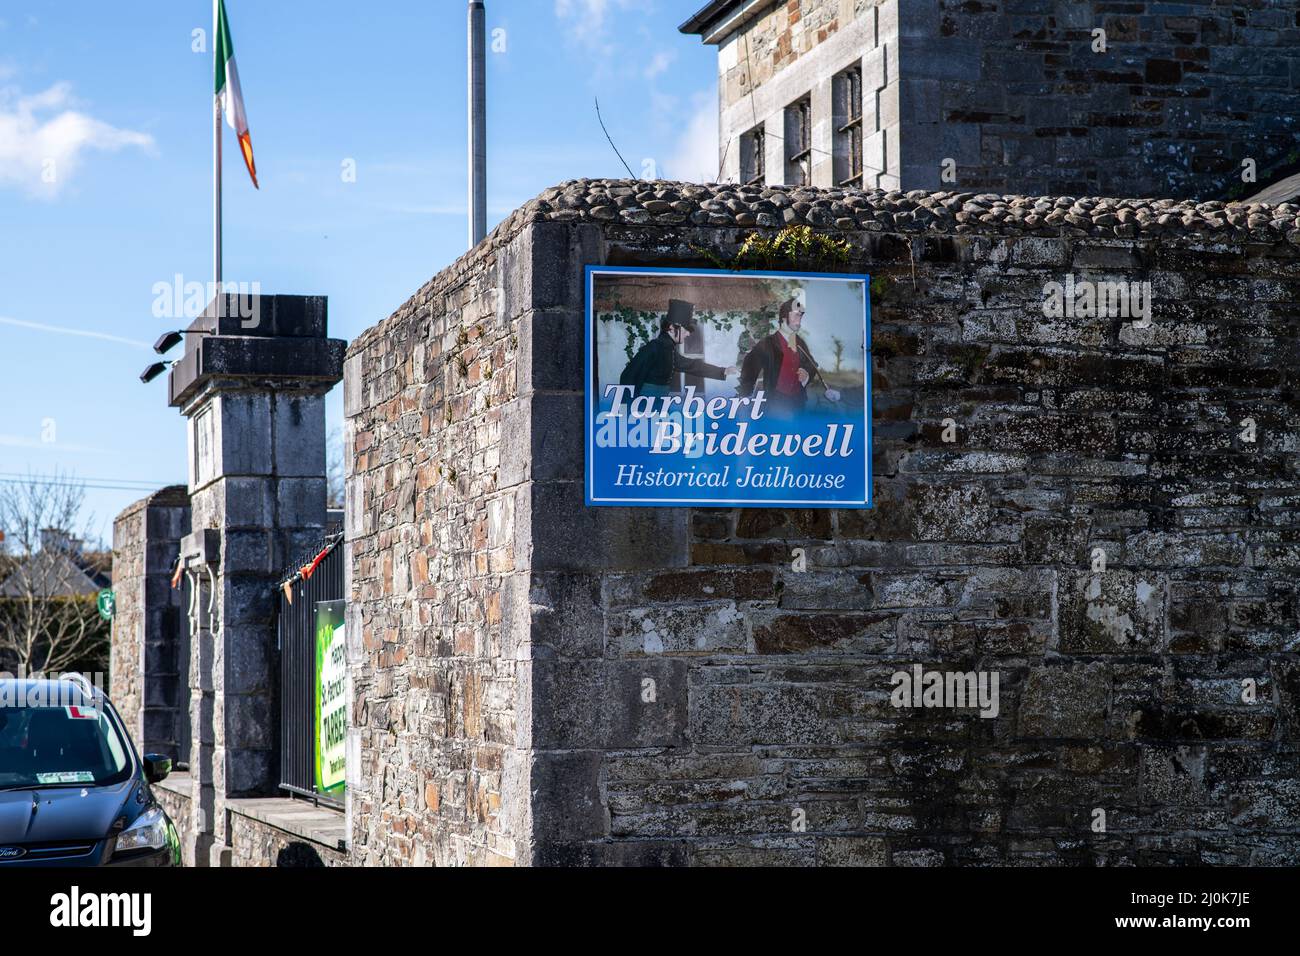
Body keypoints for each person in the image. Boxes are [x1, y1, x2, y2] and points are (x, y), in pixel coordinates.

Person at [738, 295, 841, 416]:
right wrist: (745, 396)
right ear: (784, 317)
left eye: (801, 316)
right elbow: (749, 365)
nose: (799, 320)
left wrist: (806, 374)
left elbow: (812, 364)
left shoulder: (800, 342)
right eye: (796, 315)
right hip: (774, 404)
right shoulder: (768, 343)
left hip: (798, 404)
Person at [619, 299, 737, 397]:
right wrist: (628, 410)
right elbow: (627, 376)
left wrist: (723, 371)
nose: (688, 334)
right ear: (671, 328)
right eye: (685, 330)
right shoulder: (654, 348)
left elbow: (692, 366)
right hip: (645, 406)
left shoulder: (668, 349)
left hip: (660, 403)